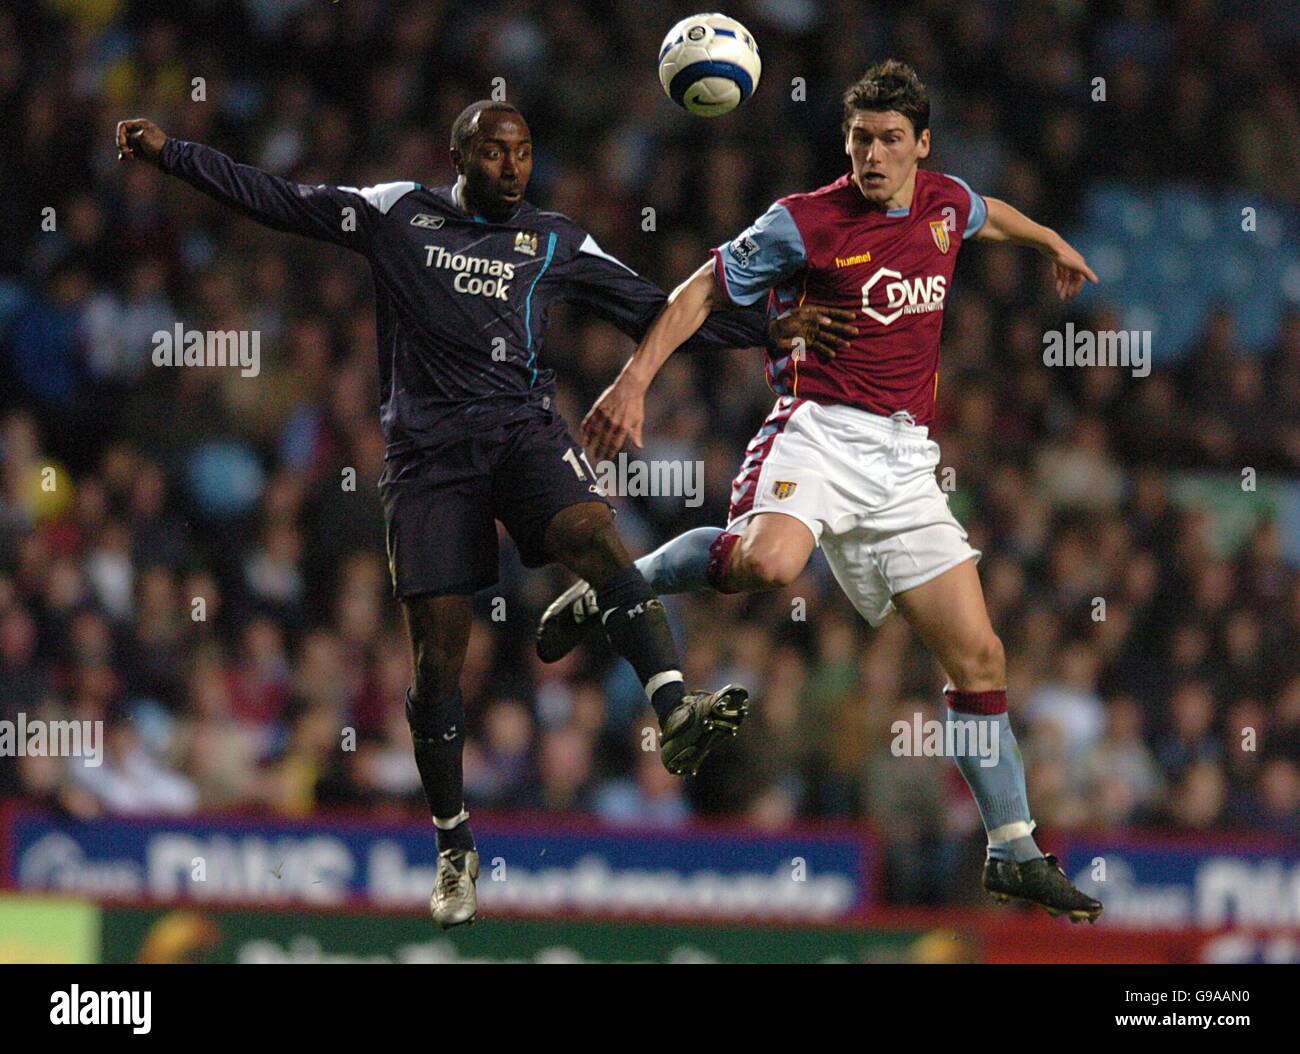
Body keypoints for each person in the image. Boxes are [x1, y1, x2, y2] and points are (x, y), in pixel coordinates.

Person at [115, 101, 832, 928]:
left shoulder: (556, 239)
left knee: (596, 534)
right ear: (459, 155)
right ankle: (454, 843)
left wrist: (765, 327)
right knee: (436, 662)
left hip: (521, 434)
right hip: (428, 462)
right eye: (496, 152)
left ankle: (673, 710)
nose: (513, 166)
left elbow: (653, 306)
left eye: (524, 152)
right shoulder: (397, 213)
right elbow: (280, 199)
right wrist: (175, 155)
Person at [536, 62, 1103, 922]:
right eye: (859, 140)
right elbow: (697, 291)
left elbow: (991, 217)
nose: (872, 156)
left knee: (981, 657)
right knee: (767, 565)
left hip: (906, 461)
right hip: (817, 428)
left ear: (920, 147)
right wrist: (634, 378)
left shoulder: (946, 202)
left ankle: (1012, 849)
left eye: (888, 141)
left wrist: (1050, 240)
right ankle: (623, 583)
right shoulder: (803, 222)